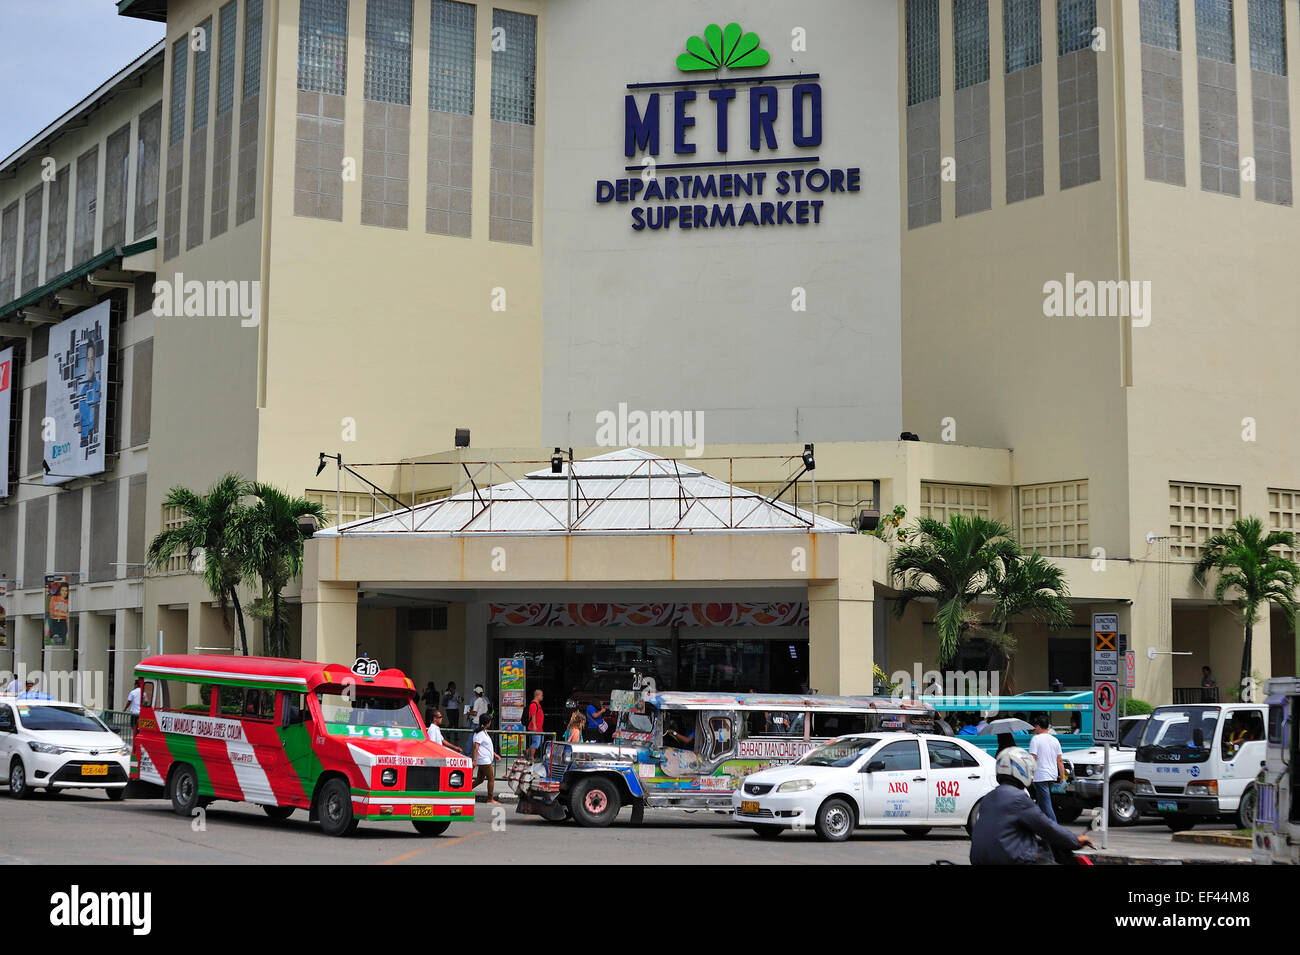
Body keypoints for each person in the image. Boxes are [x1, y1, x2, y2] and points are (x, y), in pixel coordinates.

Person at [970, 747, 1094, 865]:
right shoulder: (1019, 798)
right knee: (1044, 855)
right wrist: (1074, 840)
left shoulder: (988, 797)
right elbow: (1047, 827)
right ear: (1022, 770)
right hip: (1010, 859)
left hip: (979, 858)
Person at [1027, 714, 1064, 821]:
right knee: (1041, 803)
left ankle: (1055, 830)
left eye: (1035, 727)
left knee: (1046, 804)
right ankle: (1040, 828)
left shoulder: (1036, 739)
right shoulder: (1055, 740)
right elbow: (1060, 761)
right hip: (1052, 775)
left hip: (1040, 776)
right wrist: (1062, 778)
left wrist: (1027, 772)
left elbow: (1032, 757)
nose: (1035, 729)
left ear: (1038, 726)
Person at [472, 716, 500, 803]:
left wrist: (495, 754)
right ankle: (490, 799)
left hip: (485, 759)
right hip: (484, 760)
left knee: (480, 780)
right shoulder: (480, 734)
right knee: (491, 779)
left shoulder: (484, 732)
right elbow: (476, 747)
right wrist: (475, 760)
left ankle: (463, 790)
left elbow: (487, 747)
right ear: (487, 723)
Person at [524, 689, 545, 760]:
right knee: (536, 743)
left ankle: (527, 751)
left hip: (539, 728)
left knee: (540, 742)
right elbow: (533, 716)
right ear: (537, 695)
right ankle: (531, 757)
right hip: (535, 728)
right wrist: (535, 726)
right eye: (541, 695)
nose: (542, 697)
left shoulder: (537, 704)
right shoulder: (534, 704)